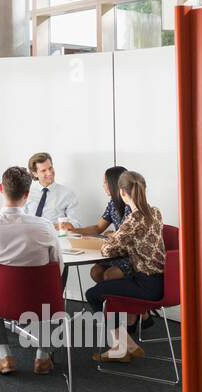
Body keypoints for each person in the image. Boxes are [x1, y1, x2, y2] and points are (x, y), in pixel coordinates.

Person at [0, 166, 61, 375]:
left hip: (2, 299)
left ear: (1, 188)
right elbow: (57, 265)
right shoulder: (45, 226)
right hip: (41, 299)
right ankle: (43, 356)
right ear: (27, 194)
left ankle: (5, 356)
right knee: (53, 288)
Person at [84, 171, 167, 362]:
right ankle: (126, 344)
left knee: (93, 294)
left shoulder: (132, 220)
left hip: (145, 285)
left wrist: (116, 236)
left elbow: (106, 250)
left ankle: (122, 346)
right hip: (163, 283)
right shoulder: (155, 212)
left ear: (122, 193)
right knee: (108, 289)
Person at [25, 151, 82, 229]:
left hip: (56, 238)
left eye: (50, 168)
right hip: (30, 237)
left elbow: (77, 223)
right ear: (35, 174)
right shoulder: (26, 194)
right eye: (43, 170)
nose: (49, 173)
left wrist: (66, 225)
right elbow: (19, 220)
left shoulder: (67, 194)